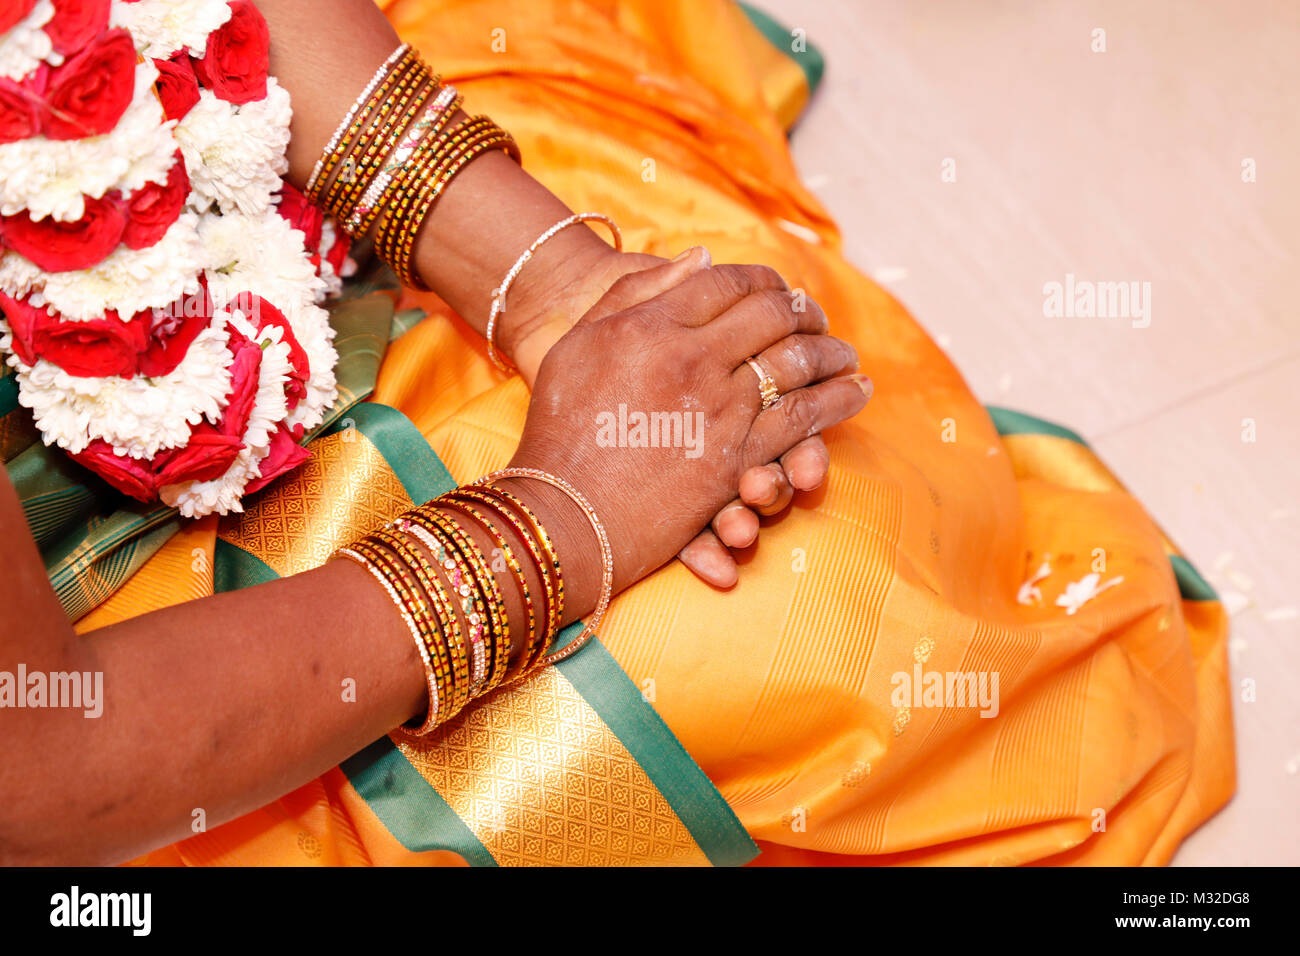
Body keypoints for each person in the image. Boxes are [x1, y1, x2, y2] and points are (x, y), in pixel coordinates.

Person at [0, 0, 1233, 866]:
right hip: (86, 673)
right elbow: (38, 769)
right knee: (765, 643)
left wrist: (559, 290)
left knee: (804, 453)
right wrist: (560, 522)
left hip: (230, 234)